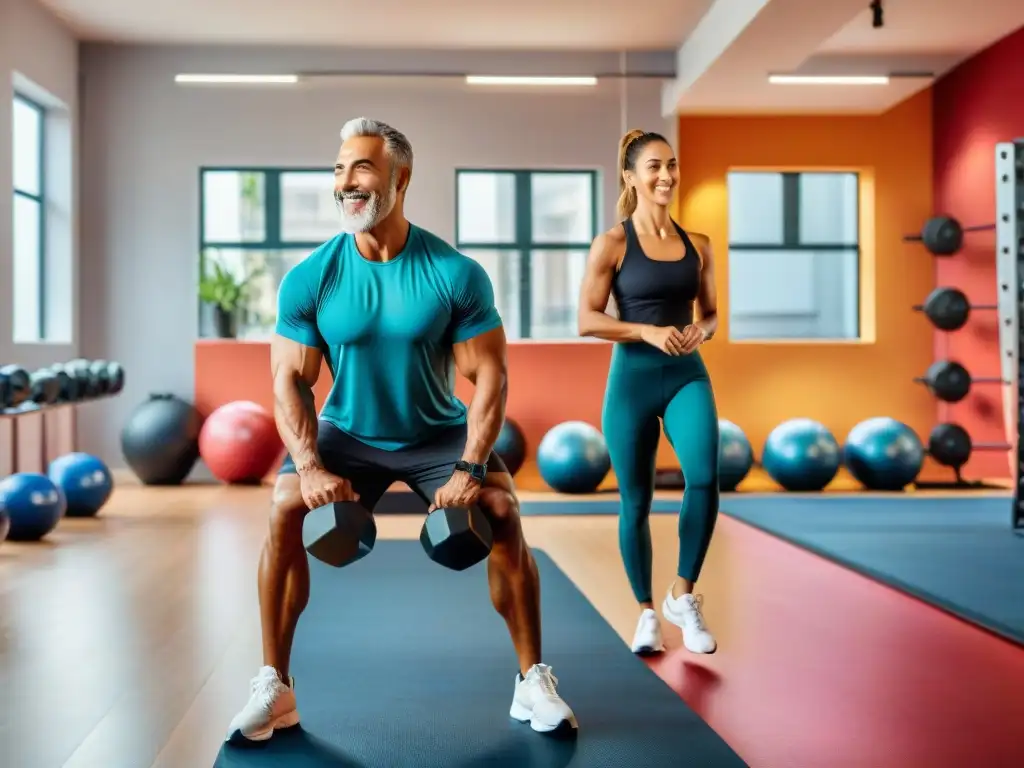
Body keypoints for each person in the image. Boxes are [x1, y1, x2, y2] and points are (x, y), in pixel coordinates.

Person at [227, 117, 577, 744]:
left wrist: (471, 468)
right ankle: (275, 686)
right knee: (283, 507)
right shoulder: (313, 277)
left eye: (360, 168)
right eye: (339, 169)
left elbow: (490, 378)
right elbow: (288, 380)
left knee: (502, 507)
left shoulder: (454, 272)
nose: (346, 182)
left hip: (435, 434)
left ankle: (532, 680)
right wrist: (308, 465)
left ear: (400, 177)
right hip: (347, 433)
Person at [578, 129, 720, 657]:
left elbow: (709, 315)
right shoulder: (612, 243)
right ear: (630, 176)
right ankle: (644, 613)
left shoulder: (699, 244)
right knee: (635, 502)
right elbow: (586, 319)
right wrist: (647, 331)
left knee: (705, 477)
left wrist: (697, 332)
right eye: (654, 167)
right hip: (632, 381)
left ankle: (681, 595)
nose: (666, 176)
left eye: (672, 165)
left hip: (686, 376)